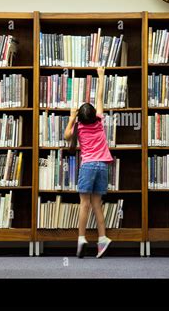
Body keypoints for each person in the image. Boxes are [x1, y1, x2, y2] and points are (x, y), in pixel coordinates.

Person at [64, 67, 113, 258]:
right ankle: (102, 239)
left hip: (88, 166)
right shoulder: (99, 121)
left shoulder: (78, 127)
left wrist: (71, 118)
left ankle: (82, 237)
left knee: (84, 204)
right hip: (102, 166)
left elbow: (66, 135)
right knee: (97, 204)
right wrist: (101, 76)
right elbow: (100, 97)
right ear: (93, 115)